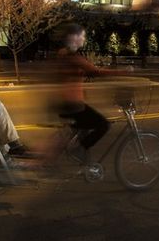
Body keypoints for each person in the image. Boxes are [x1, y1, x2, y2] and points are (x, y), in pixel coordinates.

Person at [53, 23, 130, 162]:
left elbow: (74, 77)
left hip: (65, 102)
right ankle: (80, 150)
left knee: (83, 127)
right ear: (74, 38)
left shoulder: (63, 53)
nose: (84, 38)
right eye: (82, 35)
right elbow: (96, 72)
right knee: (103, 125)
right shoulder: (74, 58)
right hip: (73, 105)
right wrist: (124, 72)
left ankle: (80, 159)